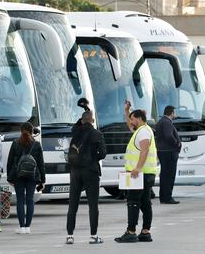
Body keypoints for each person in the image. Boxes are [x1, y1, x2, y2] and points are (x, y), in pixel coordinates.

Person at [115, 101, 158, 243]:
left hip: (139, 174)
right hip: (147, 173)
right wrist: (127, 111)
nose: (131, 122)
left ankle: (131, 231)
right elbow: (130, 125)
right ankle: (145, 232)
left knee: (133, 201)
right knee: (145, 202)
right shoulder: (143, 130)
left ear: (139, 119)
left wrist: (138, 168)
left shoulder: (144, 132)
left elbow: (144, 150)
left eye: (133, 119)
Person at [66, 110, 106, 245]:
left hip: (75, 171)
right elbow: (103, 153)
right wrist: (93, 157)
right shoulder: (97, 134)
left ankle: (70, 236)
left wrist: (81, 118)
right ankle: (93, 236)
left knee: (73, 204)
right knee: (93, 205)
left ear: (82, 120)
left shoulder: (76, 132)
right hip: (91, 171)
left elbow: (75, 126)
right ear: (93, 121)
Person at [7, 122, 45, 234]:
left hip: (19, 176)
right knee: (30, 200)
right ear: (32, 131)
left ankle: (21, 227)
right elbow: (41, 164)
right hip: (32, 176)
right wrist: (42, 180)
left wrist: (10, 178)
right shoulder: (37, 144)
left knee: (20, 200)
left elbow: (10, 162)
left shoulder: (15, 143)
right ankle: (28, 227)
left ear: (21, 130)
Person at [156, 105, 181, 204]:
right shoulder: (167, 123)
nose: (175, 114)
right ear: (172, 113)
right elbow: (169, 136)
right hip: (169, 152)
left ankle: (164, 197)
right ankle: (167, 197)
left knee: (164, 175)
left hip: (163, 152)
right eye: (175, 112)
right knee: (169, 175)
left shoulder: (161, 121)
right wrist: (177, 143)